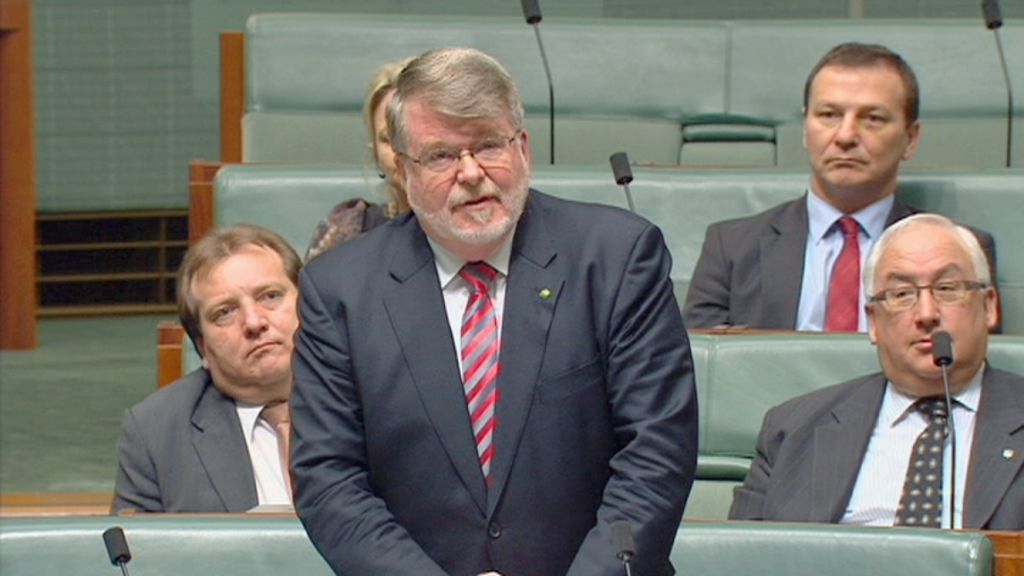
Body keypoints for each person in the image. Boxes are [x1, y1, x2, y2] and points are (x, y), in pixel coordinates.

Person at [290, 47, 698, 576]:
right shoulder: (339, 290)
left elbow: (657, 450)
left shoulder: (617, 258)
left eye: (488, 145)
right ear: (403, 168)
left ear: (523, 148)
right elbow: (329, 480)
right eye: (440, 155)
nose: (471, 173)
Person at [730, 214, 1022, 530]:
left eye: (947, 288)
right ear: (872, 321)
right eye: (901, 294)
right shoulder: (794, 430)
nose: (926, 314)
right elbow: (742, 555)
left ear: (989, 306)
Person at [684, 42, 997, 332]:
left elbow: (970, 373)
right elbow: (701, 371)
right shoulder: (732, 248)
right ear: (806, 129)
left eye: (872, 118)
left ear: (911, 138)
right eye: (829, 115)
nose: (846, 136)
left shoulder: (961, 251)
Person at [112, 224, 301, 513]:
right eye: (225, 312)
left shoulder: (376, 394)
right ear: (202, 347)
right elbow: (137, 555)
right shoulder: (156, 432)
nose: (254, 322)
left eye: (270, 296)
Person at [305, 57, 414, 261]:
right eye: (389, 139)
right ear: (375, 152)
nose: (404, 152)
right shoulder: (351, 230)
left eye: (417, 136)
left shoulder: (479, 228)